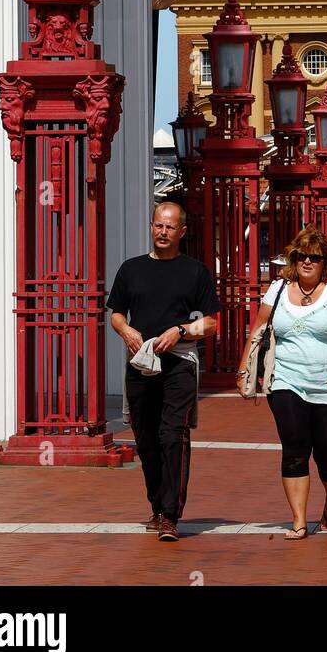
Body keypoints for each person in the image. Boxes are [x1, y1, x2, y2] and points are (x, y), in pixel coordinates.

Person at [107, 201, 220, 542]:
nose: (163, 231)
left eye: (170, 227)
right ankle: (157, 506)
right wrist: (126, 331)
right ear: (151, 227)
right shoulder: (131, 269)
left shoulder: (195, 272)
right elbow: (115, 313)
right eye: (158, 225)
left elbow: (212, 324)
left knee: (173, 435)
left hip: (179, 365)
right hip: (140, 363)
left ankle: (171, 514)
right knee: (146, 440)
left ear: (182, 232)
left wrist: (181, 331)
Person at [237, 226, 327, 539]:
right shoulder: (277, 289)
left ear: (325, 262)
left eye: (314, 257)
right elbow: (258, 330)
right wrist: (242, 370)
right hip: (286, 380)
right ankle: (299, 521)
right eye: (301, 256)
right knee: (294, 447)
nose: (307, 262)